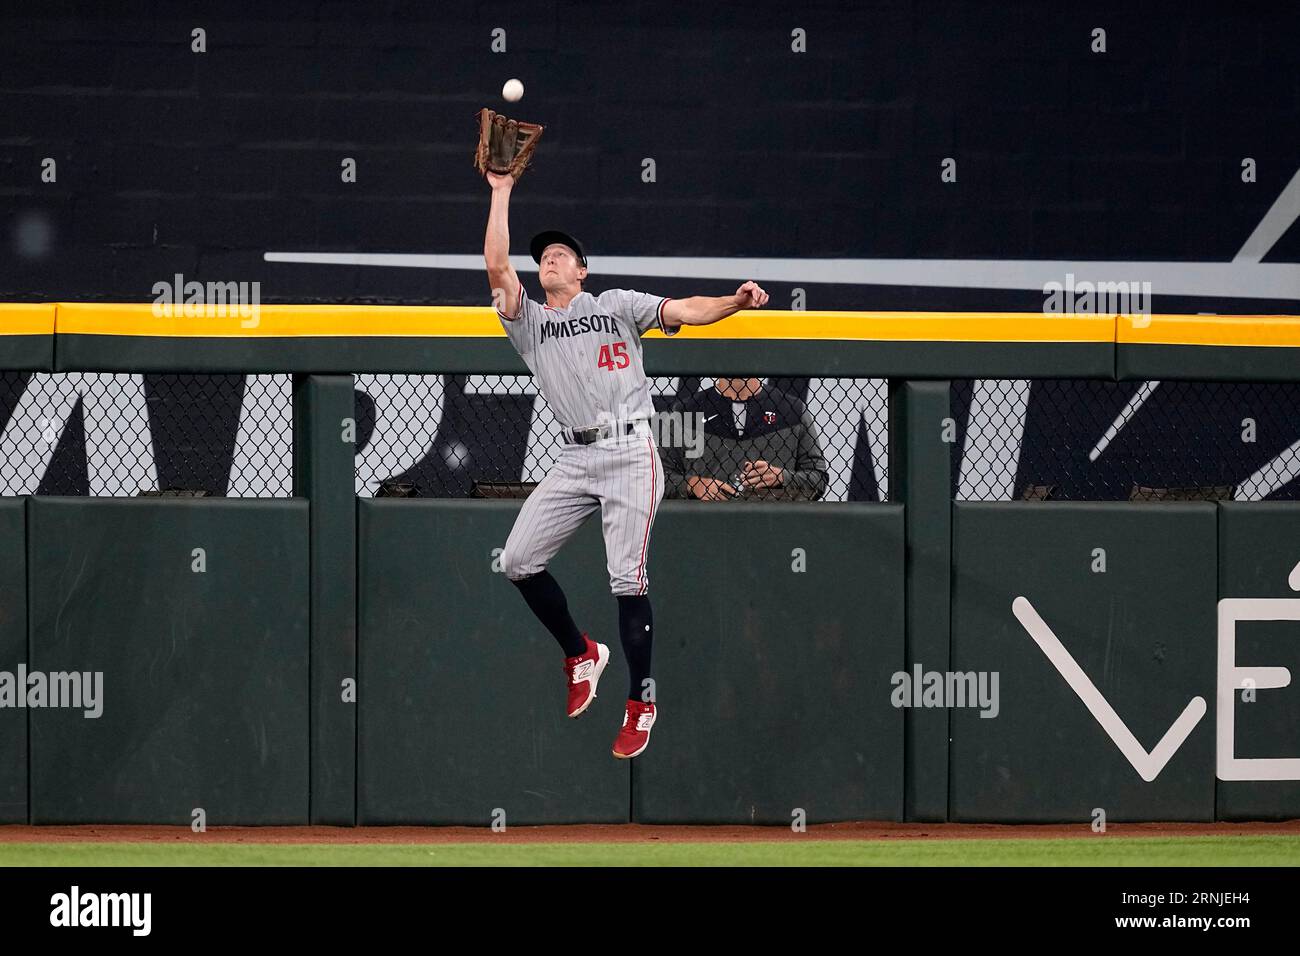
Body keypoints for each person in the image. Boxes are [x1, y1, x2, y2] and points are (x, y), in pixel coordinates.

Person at [483, 169, 770, 758]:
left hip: (632, 449)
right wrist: (500, 190)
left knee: (626, 578)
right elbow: (496, 267)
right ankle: (581, 653)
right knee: (515, 560)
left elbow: (686, 309)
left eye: (562, 255)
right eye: (545, 258)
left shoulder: (614, 304)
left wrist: (734, 303)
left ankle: (641, 702)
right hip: (575, 454)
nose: (551, 262)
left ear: (582, 270)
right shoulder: (530, 325)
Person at [664, 378, 829, 501]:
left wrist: (781, 477)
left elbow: (819, 479)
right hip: (705, 530)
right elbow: (657, 478)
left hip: (773, 531)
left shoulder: (793, 410)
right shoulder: (682, 411)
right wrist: (693, 484)